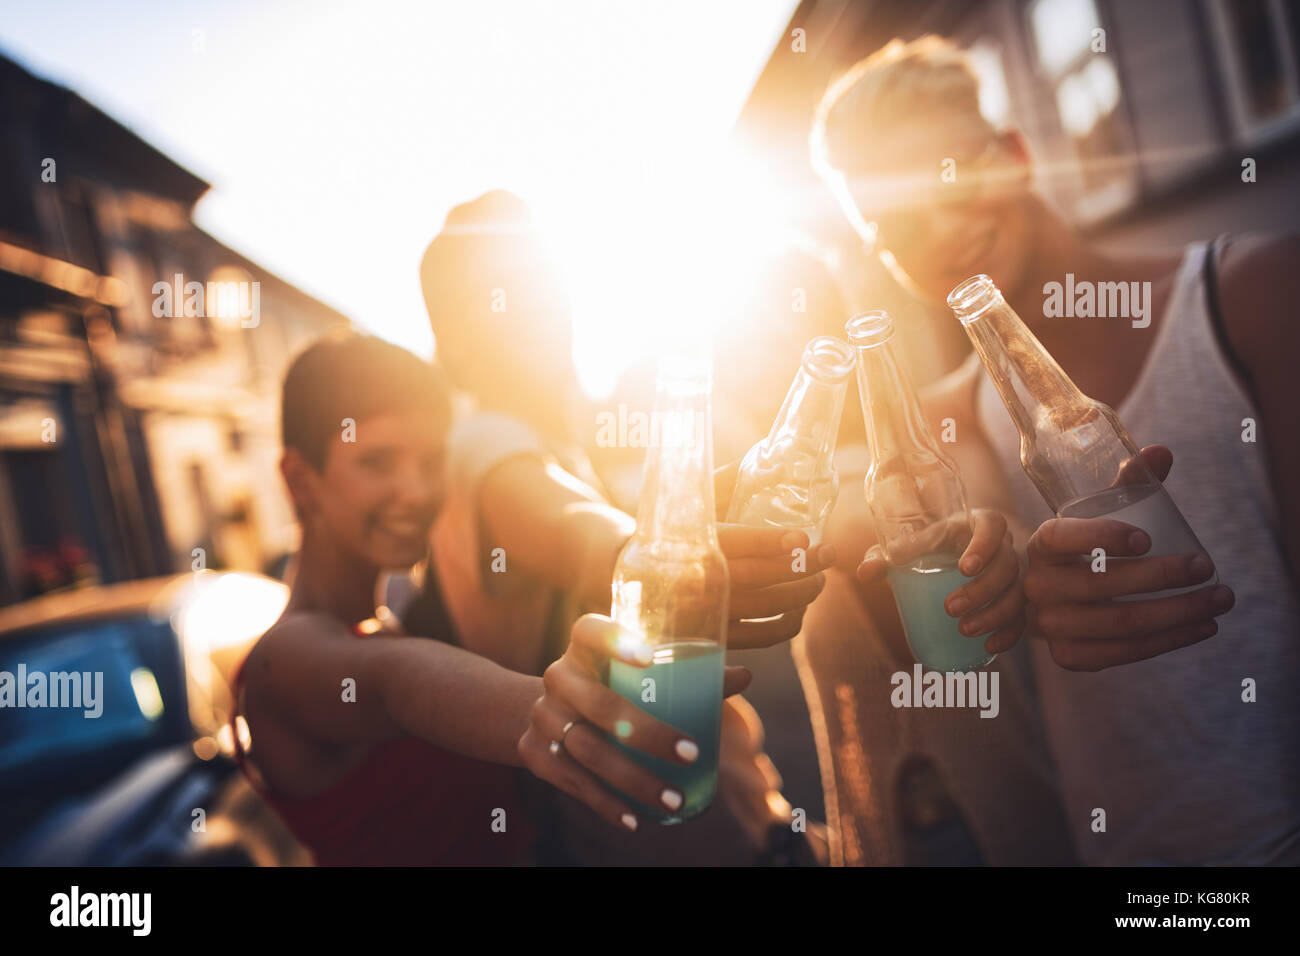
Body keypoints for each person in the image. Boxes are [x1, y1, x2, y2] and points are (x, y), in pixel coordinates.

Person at [809, 35, 1298, 864]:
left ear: (1016, 155)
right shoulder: (941, 426)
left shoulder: (1251, 294)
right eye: (892, 226)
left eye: (951, 184)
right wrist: (1010, 589)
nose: (935, 235)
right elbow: (873, 526)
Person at [414, 191, 834, 864]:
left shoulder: (549, 442)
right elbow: (576, 531)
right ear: (457, 334)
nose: (547, 313)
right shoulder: (485, 445)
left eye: (548, 287)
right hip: (667, 837)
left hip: (715, 816)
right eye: (507, 295)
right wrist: (651, 553)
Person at [230, 333, 759, 865]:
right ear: (300, 481)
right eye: (378, 462)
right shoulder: (285, 659)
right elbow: (396, 681)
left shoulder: (392, 622)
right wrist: (543, 707)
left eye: (432, 461)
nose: (416, 491)